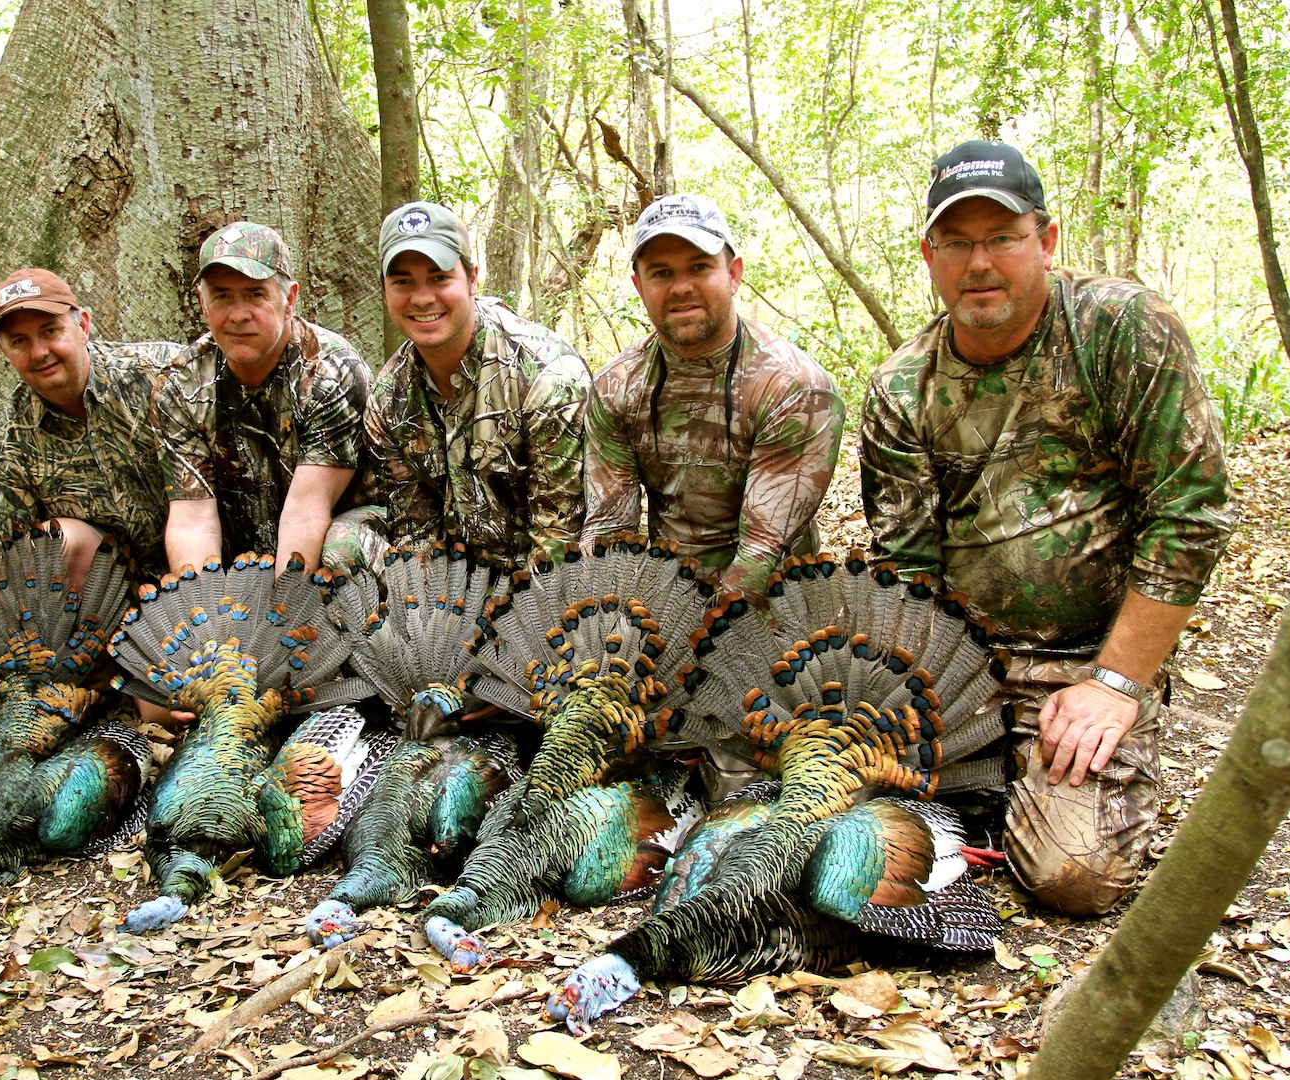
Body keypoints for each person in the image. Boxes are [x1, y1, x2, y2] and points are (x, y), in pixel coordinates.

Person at [860, 139, 1237, 916]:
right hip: (961, 671)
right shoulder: (902, 387)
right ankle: (985, 783)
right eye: (957, 242)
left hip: (1084, 663)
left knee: (1073, 879)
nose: (980, 263)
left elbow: (1188, 516)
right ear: (929, 256)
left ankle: (1054, 766)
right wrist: (912, 703)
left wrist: (1114, 684)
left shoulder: (1123, 331)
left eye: (1002, 237)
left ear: (1047, 240)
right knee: (823, 818)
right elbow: (906, 570)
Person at [582, 193, 845, 601]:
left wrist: (694, 637)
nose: (681, 287)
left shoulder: (794, 387)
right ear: (639, 285)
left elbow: (762, 550)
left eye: (700, 267)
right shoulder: (617, 386)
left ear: (734, 273)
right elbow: (607, 529)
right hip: (668, 598)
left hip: (782, 608)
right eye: (662, 272)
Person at [153, 221, 382, 577]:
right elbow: (192, 521)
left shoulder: (331, 372)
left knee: (343, 548)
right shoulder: (181, 383)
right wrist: (205, 618)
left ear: (289, 299)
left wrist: (280, 617)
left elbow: (306, 512)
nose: (238, 314)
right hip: (246, 551)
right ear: (202, 301)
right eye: (222, 296)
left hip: (333, 536)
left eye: (255, 294)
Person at [367, 201, 590, 564]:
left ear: (472, 279)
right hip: (454, 599)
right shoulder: (388, 397)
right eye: (403, 281)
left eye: (439, 277)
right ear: (384, 289)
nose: (422, 298)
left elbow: (559, 545)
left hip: (543, 597)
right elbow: (415, 536)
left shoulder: (548, 376)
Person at [0, 267, 178, 588]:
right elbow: (4, 562)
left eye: (49, 331)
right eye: (20, 341)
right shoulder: (6, 446)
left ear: (82, 325)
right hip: (111, 597)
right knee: (52, 542)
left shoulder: (162, 373)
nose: (39, 352)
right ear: (5, 352)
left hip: (215, 561)